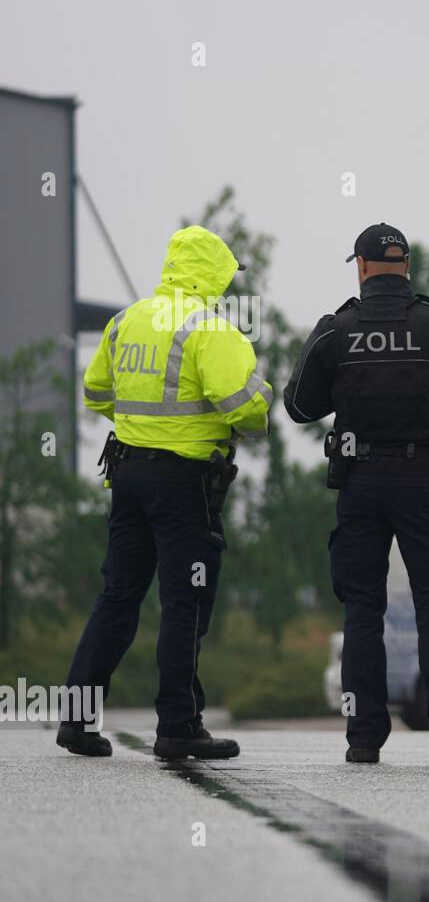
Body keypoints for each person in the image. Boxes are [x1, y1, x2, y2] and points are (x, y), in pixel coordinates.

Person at [284, 223, 429, 765]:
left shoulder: (334, 331)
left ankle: (363, 738)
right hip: (423, 481)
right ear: (406, 267)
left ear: (360, 268)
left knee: (363, 608)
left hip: (359, 483)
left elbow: (297, 406)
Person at [60, 225, 271, 760]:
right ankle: (178, 725)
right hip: (183, 484)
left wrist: (141, 426)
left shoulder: (127, 319)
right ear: (215, 273)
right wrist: (261, 395)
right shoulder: (210, 328)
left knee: (119, 595)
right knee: (185, 601)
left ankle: (77, 721)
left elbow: (94, 391)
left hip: (127, 475)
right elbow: (245, 410)